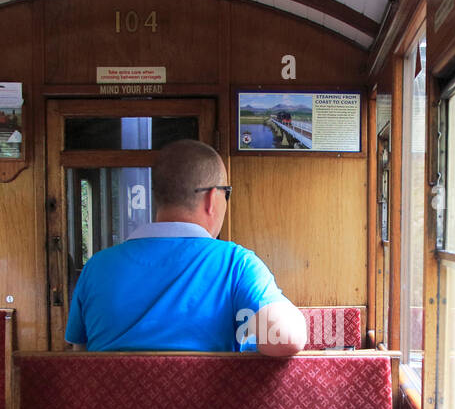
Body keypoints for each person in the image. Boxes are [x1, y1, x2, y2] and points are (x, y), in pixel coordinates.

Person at [65, 140, 307, 355]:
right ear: (212, 198)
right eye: (226, 193)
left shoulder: (96, 267)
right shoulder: (236, 264)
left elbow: (80, 354)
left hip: (112, 407)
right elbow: (287, 338)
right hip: (209, 408)